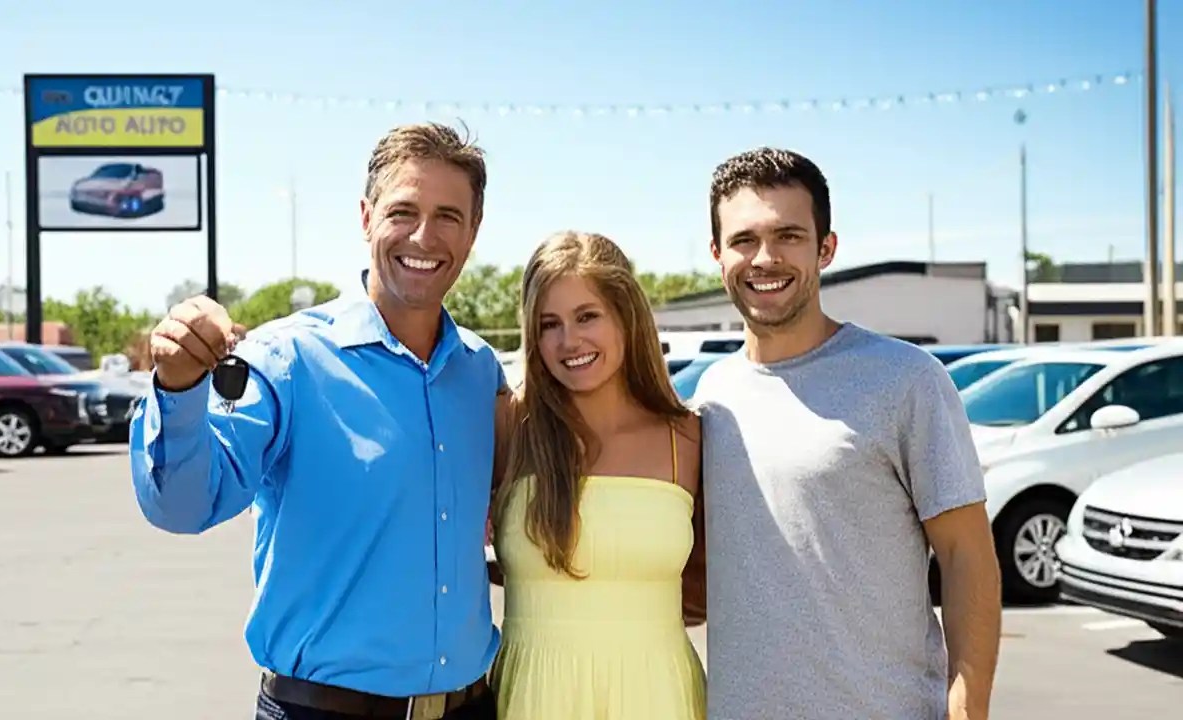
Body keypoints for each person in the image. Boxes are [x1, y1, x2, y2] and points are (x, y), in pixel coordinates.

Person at [129, 121, 505, 720]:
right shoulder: (285, 361)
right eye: (403, 211)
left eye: (448, 216)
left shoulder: (482, 374)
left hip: (471, 707)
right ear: (365, 217)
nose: (424, 236)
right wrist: (177, 389)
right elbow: (183, 506)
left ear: (473, 231)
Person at [692, 148, 1002, 720]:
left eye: (789, 235)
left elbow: (967, 557)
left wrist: (968, 708)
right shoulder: (711, 396)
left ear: (826, 248)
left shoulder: (906, 380)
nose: (765, 258)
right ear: (716, 254)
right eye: (743, 240)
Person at [487, 231, 708, 720]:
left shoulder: (689, 437)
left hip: (659, 697)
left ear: (626, 316)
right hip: (533, 699)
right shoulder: (507, 426)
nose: (569, 341)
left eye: (587, 316)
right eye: (549, 324)